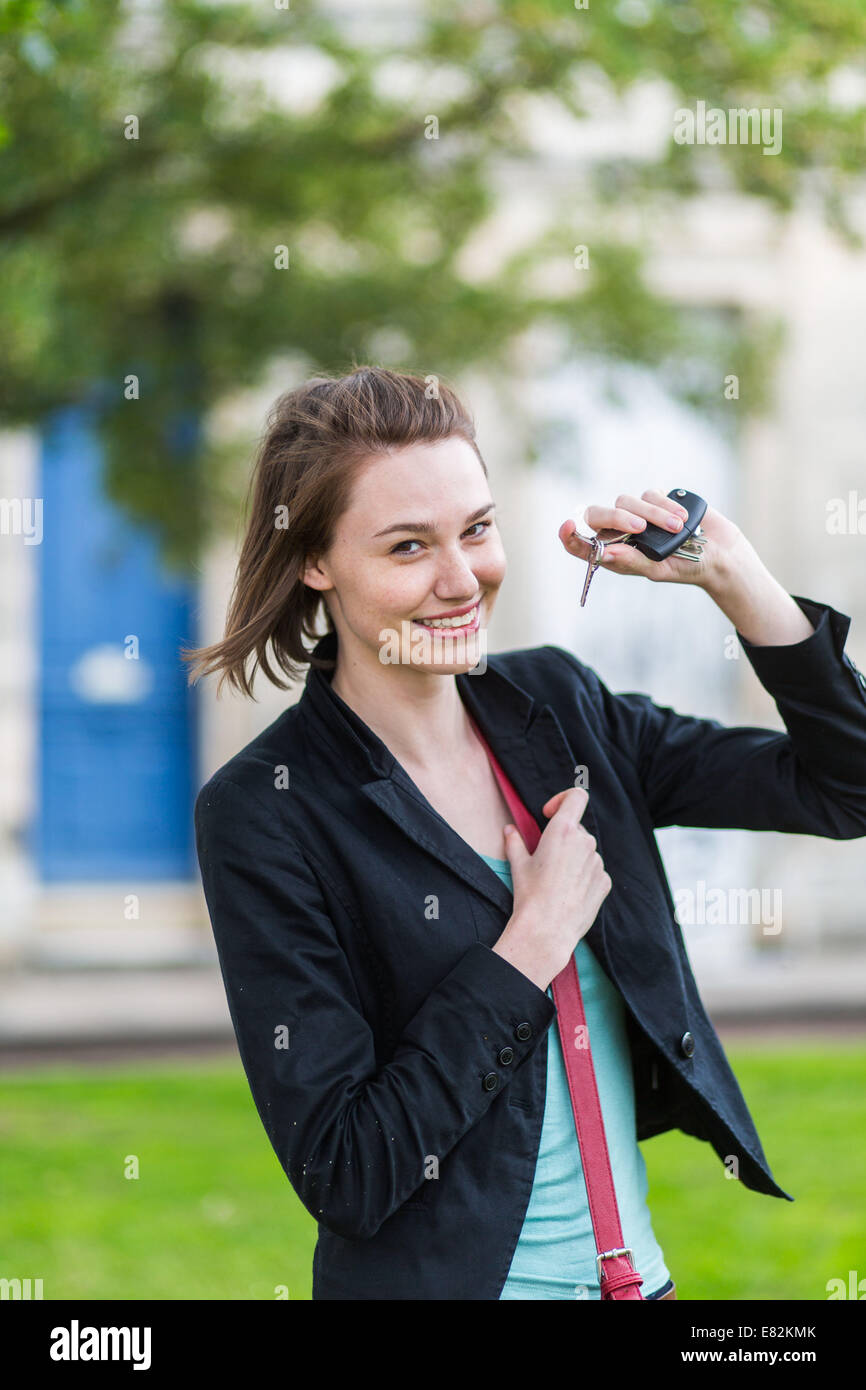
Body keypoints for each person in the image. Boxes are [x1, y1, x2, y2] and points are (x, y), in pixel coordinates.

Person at [185, 365, 866, 1301]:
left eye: (476, 529)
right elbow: (347, 1169)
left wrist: (730, 574)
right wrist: (530, 945)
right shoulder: (269, 808)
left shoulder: (562, 705)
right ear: (315, 562)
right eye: (407, 547)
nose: (461, 580)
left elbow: (846, 790)